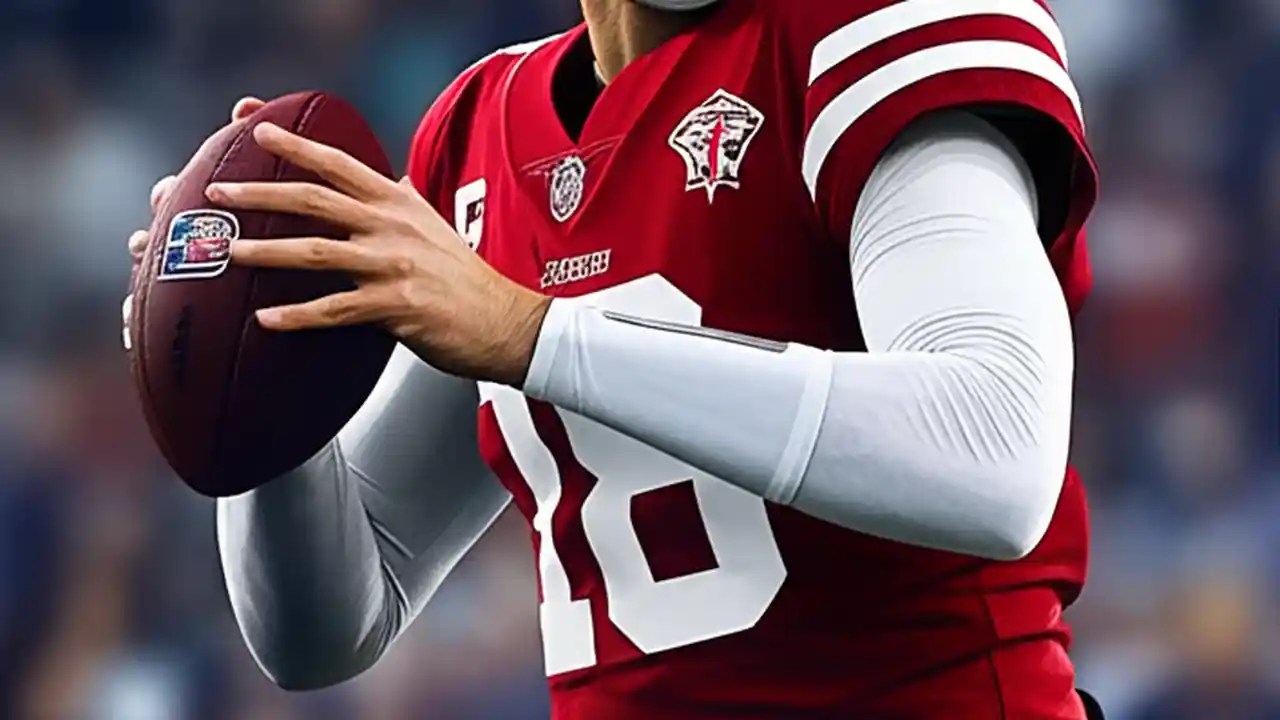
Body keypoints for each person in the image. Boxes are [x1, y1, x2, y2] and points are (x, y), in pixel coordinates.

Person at [125, 0, 1100, 717]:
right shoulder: (481, 129)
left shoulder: (872, 30)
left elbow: (992, 454)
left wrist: (533, 333)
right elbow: (327, 628)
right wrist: (264, 355)